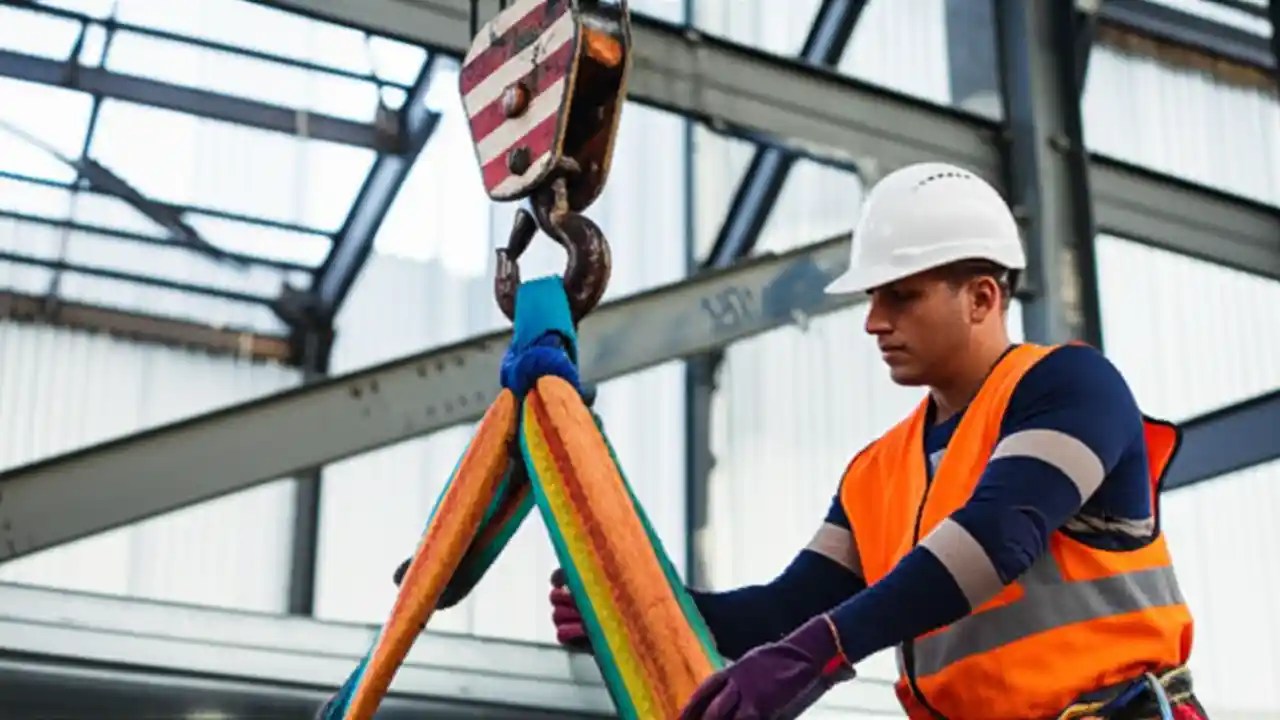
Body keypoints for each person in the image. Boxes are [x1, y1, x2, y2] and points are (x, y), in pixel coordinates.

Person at [549, 162, 1205, 720]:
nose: (873, 321)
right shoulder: (877, 470)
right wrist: (645, 608)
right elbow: (789, 609)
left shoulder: (1070, 387)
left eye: (902, 296)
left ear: (981, 298)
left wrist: (822, 650)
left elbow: (995, 538)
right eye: (872, 297)